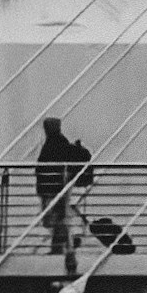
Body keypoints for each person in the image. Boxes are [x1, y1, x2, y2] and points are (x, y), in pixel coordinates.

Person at [34, 115, 93, 273]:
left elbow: (47, 166)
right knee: (57, 219)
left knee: (57, 219)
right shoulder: (59, 142)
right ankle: (66, 246)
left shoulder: (55, 143)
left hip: (54, 189)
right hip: (55, 188)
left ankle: (64, 248)